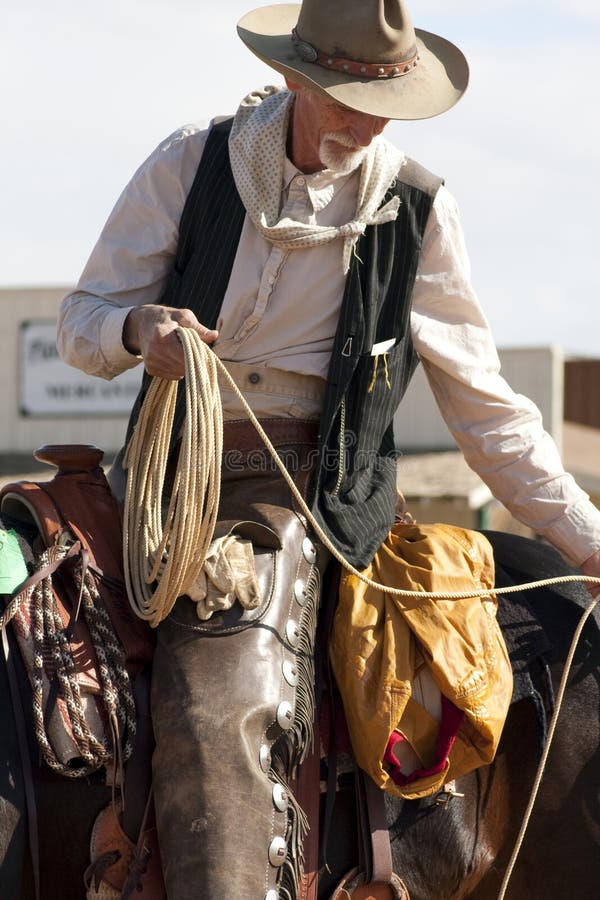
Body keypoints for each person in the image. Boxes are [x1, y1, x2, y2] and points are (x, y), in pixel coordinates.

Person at [57, 1, 600, 897]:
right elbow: (81, 324)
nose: (368, 122)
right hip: (173, 479)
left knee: (218, 707)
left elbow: (488, 412)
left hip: (310, 496)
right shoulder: (191, 161)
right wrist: (135, 329)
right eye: (346, 97)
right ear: (294, 79)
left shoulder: (418, 210)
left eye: (387, 101)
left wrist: (585, 541)